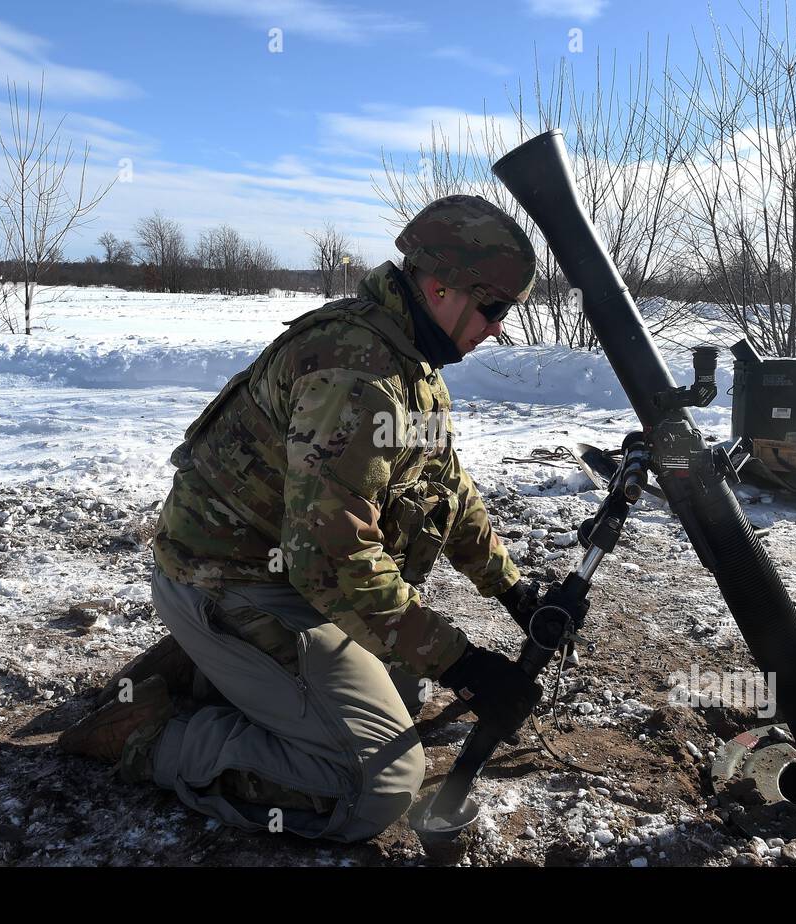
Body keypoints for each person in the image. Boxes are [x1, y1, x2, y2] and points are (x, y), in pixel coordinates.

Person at [60, 195, 544, 841]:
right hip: (232, 584)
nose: (498, 329)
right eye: (495, 309)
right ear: (440, 287)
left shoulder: (408, 358)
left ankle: (210, 676)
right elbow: (330, 562)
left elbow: (445, 485)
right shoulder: (357, 371)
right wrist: (465, 664)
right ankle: (147, 734)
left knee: (403, 697)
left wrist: (511, 589)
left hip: (284, 579)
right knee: (375, 784)